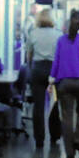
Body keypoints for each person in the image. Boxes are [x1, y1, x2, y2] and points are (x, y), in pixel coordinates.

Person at [48, 10, 79, 158]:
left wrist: (51, 79)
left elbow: (56, 61)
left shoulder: (61, 40)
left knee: (66, 116)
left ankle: (69, 151)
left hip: (64, 83)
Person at [25, 8, 62, 149]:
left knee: (38, 106)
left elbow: (29, 55)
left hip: (38, 69)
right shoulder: (59, 35)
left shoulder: (33, 34)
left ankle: (39, 139)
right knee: (54, 103)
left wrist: (30, 69)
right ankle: (55, 135)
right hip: (54, 70)